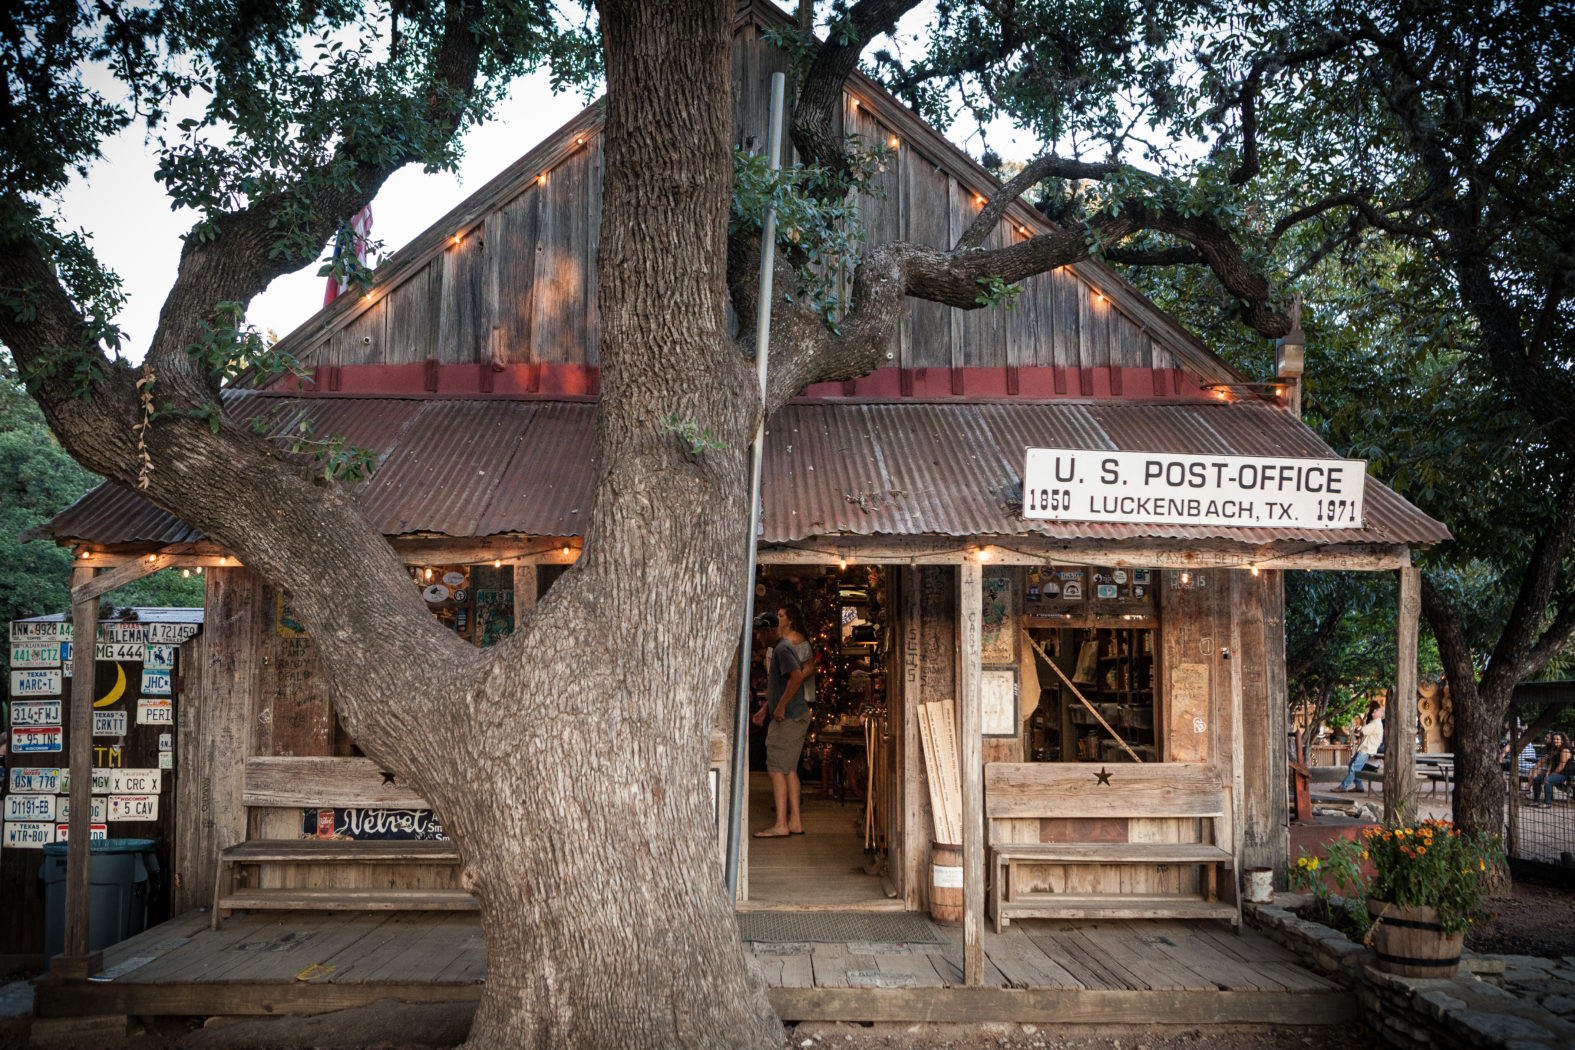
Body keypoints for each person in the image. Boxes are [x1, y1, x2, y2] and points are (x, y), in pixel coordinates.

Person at [753, 612, 810, 838]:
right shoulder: (780, 649)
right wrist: (766, 708)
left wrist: (780, 707)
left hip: (789, 719)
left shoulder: (782, 649)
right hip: (793, 716)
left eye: (759, 632)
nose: (758, 637)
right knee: (788, 770)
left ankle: (780, 824)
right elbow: (781, 685)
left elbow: (797, 677)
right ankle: (794, 822)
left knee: (776, 768)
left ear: (768, 631)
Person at [1334, 702, 1384, 791]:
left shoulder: (1376, 723)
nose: (1374, 711)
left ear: (1380, 714)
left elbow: (1363, 731)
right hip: (1364, 748)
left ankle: (1343, 786)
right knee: (1352, 765)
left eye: (1376, 711)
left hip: (1367, 749)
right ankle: (1359, 786)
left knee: (1355, 767)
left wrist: (1364, 723)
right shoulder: (1374, 722)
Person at [1531, 733, 1572, 808]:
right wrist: (1547, 773)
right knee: (1536, 779)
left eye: (1557, 739)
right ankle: (1536, 801)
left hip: (1564, 773)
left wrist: (1551, 775)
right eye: (1554, 739)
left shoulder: (1565, 750)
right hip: (1554, 772)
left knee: (1547, 780)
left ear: (1562, 741)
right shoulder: (1554, 750)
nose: (1555, 741)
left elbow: (1561, 766)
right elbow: (1551, 763)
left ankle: (1547, 803)